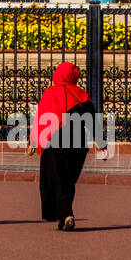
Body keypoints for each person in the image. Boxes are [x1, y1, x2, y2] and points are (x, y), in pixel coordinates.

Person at [27, 61, 100, 231]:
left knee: (56, 179)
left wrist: (33, 141)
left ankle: (66, 214)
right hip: (78, 142)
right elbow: (91, 122)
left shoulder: (50, 93)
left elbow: (41, 119)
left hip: (55, 140)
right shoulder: (82, 95)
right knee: (68, 180)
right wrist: (101, 143)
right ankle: (64, 216)